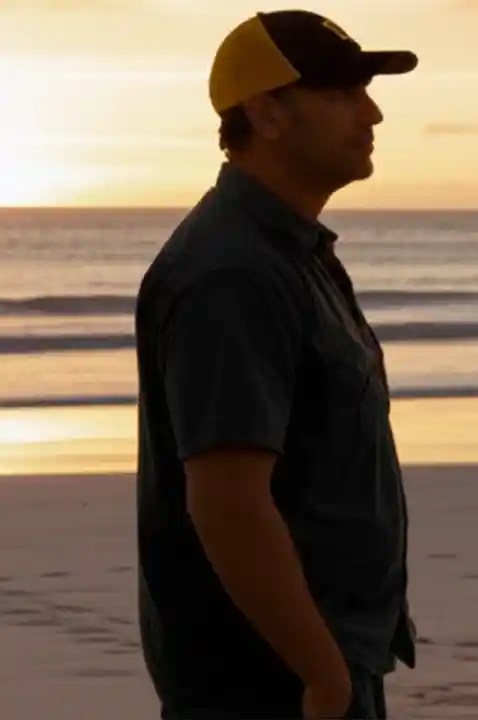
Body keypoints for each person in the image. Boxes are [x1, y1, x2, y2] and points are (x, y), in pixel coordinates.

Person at [133, 10, 419, 719]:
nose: (372, 112)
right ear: (266, 114)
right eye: (342, 93)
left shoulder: (290, 255)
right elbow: (228, 502)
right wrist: (322, 676)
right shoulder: (233, 273)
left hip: (319, 659)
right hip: (265, 683)